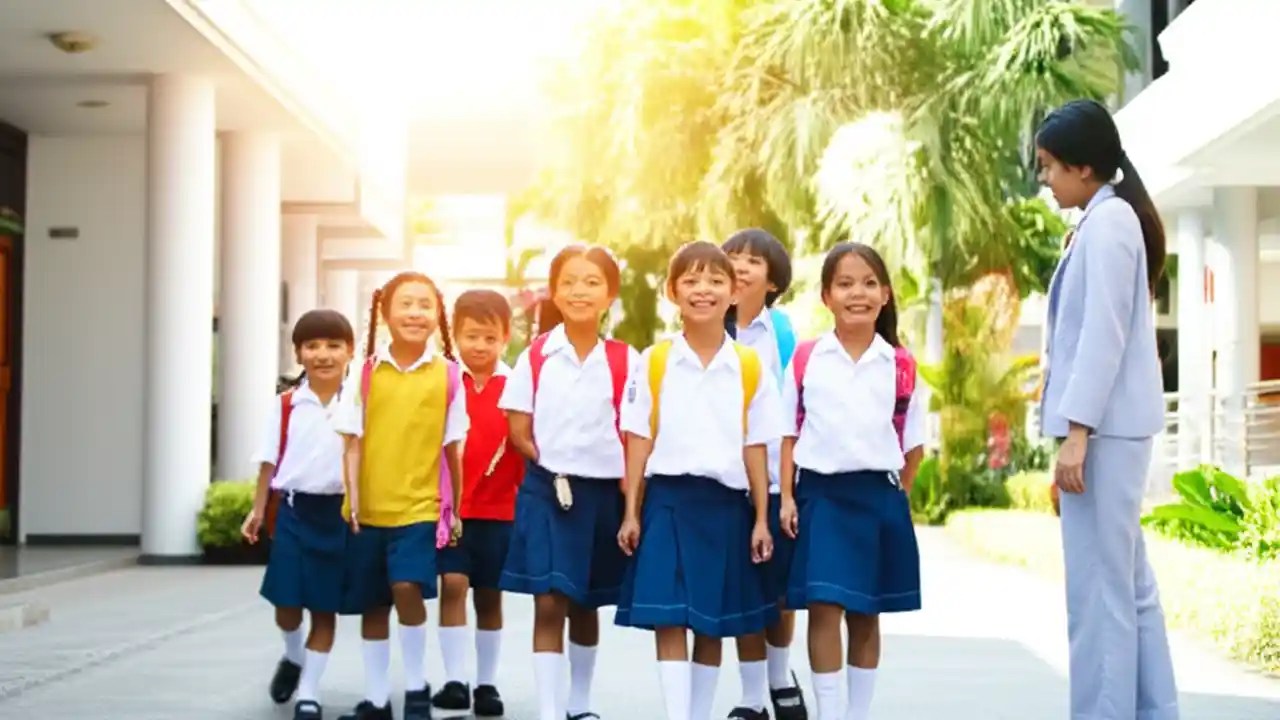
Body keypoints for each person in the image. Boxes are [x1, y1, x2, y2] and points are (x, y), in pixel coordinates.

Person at [1035, 98, 1179, 720]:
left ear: (1085, 168)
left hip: (1106, 432)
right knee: (1129, 588)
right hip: (1113, 432)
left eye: (1049, 166)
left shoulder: (1110, 223)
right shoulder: (1106, 220)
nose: (1044, 178)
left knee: (1099, 595)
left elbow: (1103, 335)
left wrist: (1077, 434)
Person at [616, 240, 782, 720]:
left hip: (727, 505)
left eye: (715, 280)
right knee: (669, 616)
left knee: (711, 622)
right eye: (690, 280)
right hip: (667, 501)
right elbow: (638, 437)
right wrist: (632, 512)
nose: (702, 290)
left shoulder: (751, 368)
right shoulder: (654, 360)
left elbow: (757, 447)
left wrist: (760, 519)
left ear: (734, 293)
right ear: (672, 292)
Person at [780, 242, 925, 720]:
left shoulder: (900, 365)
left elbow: (913, 447)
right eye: (844, 283)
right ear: (826, 296)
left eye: (868, 283)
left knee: (867, 613)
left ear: (884, 294)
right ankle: (830, 713)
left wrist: (893, 496)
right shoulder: (806, 360)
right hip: (820, 496)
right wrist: (787, 500)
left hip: (877, 498)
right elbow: (787, 434)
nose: (856, 293)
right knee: (823, 607)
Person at [499, 244, 638, 720]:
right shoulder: (535, 356)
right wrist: (554, 464)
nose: (580, 291)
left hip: (604, 496)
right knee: (550, 601)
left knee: (585, 603)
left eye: (592, 282)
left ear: (610, 295)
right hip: (548, 492)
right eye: (570, 282)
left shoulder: (626, 360)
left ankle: (580, 705)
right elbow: (518, 429)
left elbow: (636, 430)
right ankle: (549, 710)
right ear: (554, 293)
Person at [332, 271, 468, 720]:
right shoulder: (365, 371)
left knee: (406, 587)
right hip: (368, 509)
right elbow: (352, 441)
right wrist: (351, 500)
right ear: (385, 312)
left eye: (424, 304)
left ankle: (416, 687)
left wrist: (455, 510)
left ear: (437, 314)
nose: (415, 313)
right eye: (405, 304)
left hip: (420, 508)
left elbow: (453, 451)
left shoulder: (449, 376)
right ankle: (376, 700)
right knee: (373, 605)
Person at [242, 309, 354, 720]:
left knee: (324, 608)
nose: (322, 354)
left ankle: (309, 691)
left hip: (339, 516)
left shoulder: (361, 402)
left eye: (332, 345)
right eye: (312, 346)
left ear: (350, 351)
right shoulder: (287, 404)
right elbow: (268, 460)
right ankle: (293, 656)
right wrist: (256, 511)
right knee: (286, 604)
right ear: (298, 353)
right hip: (293, 512)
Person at [722, 228, 807, 720]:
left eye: (752, 260)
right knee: (742, 588)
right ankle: (751, 696)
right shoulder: (707, 323)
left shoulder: (782, 333)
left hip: (774, 476)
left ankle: (779, 674)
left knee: (777, 586)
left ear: (772, 282)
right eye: (732, 256)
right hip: (724, 475)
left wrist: (789, 485)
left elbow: (792, 406)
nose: (740, 265)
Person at [432, 289, 524, 717]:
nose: (479, 346)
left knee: (489, 597)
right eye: (471, 336)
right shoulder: (445, 382)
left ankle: (486, 684)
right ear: (455, 334)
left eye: (489, 337)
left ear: (505, 337)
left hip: (501, 510)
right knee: (453, 585)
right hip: (452, 510)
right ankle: (454, 679)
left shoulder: (517, 386)